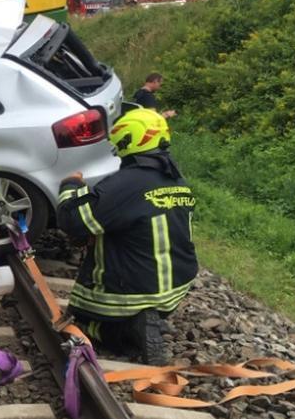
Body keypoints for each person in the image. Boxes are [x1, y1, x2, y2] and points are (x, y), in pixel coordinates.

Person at [56, 109, 198, 365]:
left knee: (81, 322)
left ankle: (127, 331)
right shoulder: (177, 180)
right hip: (174, 291)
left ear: (126, 142)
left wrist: (70, 186)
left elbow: (73, 222)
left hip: (130, 292)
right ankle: (149, 317)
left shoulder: (126, 184)